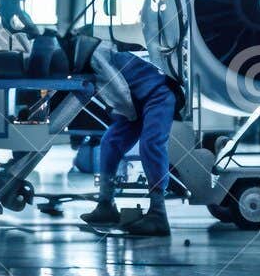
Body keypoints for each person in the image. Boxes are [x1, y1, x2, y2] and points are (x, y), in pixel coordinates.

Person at [68, 34, 180, 237]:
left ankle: (158, 215)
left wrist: (120, 114)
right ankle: (106, 204)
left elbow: (118, 91)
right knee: (109, 142)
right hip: (135, 102)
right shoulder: (93, 54)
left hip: (157, 96)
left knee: (151, 145)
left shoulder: (97, 57)